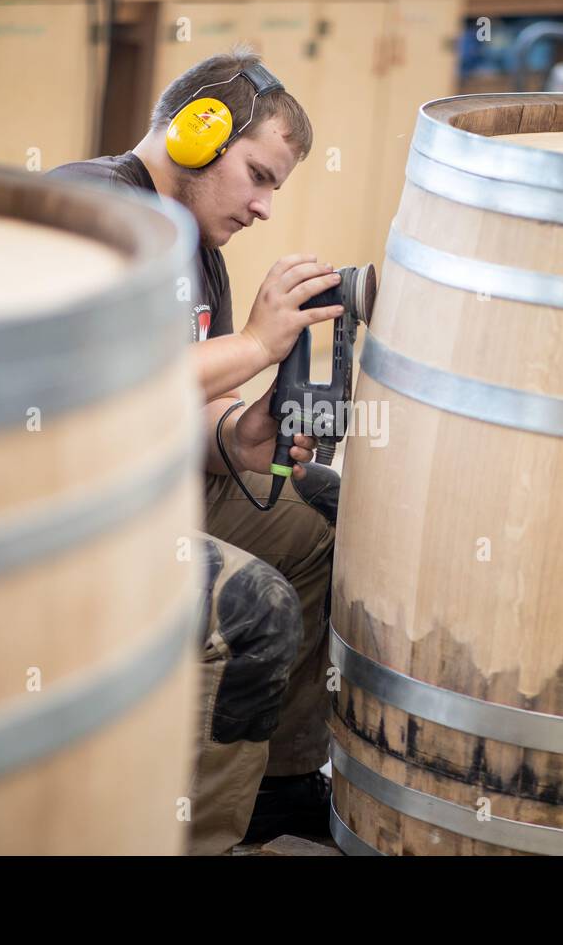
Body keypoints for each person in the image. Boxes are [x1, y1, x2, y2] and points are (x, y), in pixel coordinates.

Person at [49, 45, 341, 854]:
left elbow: (178, 406)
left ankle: (277, 789)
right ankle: (193, 839)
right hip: (66, 511)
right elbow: (104, 386)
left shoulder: (199, 252)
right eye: (259, 174)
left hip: (147, 486)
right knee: (257, 607)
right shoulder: (91, 207)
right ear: (197, 133)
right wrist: (255, 344)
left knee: (321, 519)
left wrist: (233, 436)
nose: (264, 208)